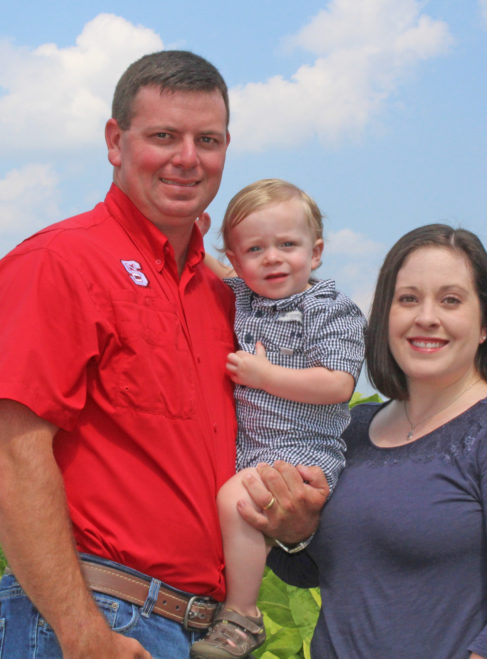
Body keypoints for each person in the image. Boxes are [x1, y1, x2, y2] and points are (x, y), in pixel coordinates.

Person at [0, 51, 328, 659]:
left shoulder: (224, 297)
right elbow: (10, 454)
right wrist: (84, 636)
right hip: (94, 617)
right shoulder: (57, 264)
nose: (187, 158)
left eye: (207, 140)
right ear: (116, 141)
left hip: (201, 630)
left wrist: (291, 522)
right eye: (164, 136)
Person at [268, 224, 487, 658]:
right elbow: (312, 573)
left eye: (450, 300)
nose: (426, 317)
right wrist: (295, 534)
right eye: (408, 299)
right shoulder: (351, 430)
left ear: (485, 324)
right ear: (384, 318)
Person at [188, 179, 366, 659]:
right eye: (255, 249)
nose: (272, 258)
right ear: (236, 257)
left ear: (316, 252)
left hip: (303, 452)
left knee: (234, 501)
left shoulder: (329, 308)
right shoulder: (246, 296)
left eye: (287, 245)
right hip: (252, 449)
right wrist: (191, 237)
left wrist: (265, 376)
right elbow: (217, 270)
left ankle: (243, 615)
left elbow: (338, 383)